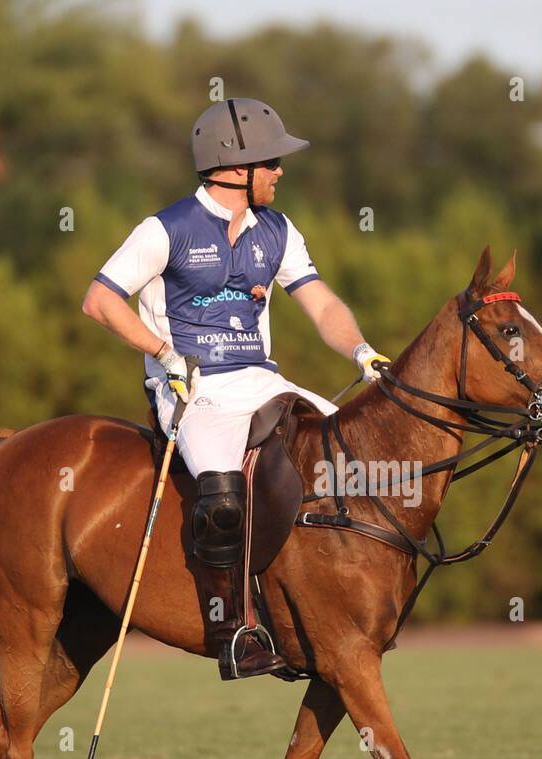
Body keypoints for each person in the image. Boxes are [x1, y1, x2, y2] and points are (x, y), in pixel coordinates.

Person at [82, 97, 389, 679]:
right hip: (190, 388)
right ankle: (235, 633)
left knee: (352, 459)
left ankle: (336, 611)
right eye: (271, 162)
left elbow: (320, 304)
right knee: (223, 501)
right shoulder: (164, 228)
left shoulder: (277, 230)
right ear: (236, 169)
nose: (280, 172)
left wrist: (361, 350)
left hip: (258, 380)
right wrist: (163, 352)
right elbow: (99, 301)